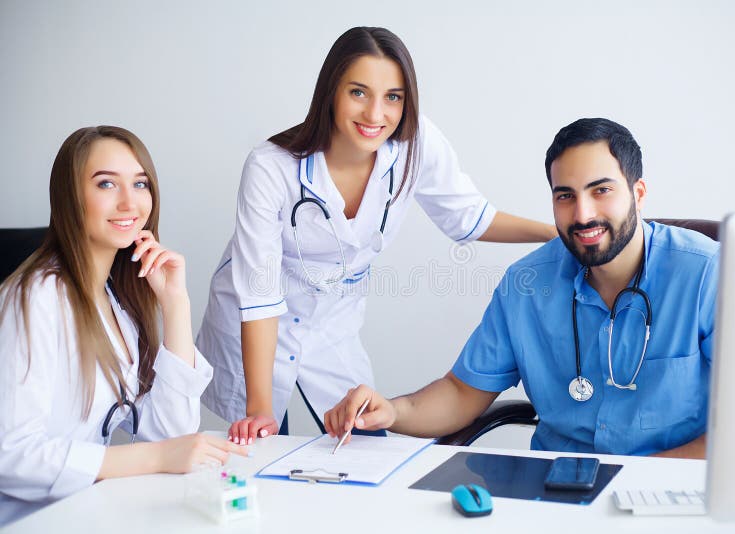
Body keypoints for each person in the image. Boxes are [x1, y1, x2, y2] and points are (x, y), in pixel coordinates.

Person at [197, 26, 557, 444]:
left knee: (363, 444)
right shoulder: (270, 166)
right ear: (331, 92)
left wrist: (555, 234)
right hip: (256, 330)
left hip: (332, 326)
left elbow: (469, 217)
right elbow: (260, 294)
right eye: (358, 92)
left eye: (393, 97)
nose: (375, 114)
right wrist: (259, 408)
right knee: (264, 446)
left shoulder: (416, 144)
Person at [324, 118, 720, 459]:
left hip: (666, 491)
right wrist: (392, 412)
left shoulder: (707, 274)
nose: (583, 214)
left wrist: (637, 480)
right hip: (557, 489)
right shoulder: (525, 285)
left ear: (638, 194)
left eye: (601, 190)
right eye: (565, 196)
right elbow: (462, 393)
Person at [0, 126, 247, 526]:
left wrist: (176, 305)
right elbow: (11, 454)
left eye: (140, 183)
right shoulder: (36, 297)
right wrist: (153, 457)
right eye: (106, 184)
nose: (130, 202)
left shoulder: (115, 301)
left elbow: (171, 433)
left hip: (84, 511)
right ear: (69, 196)